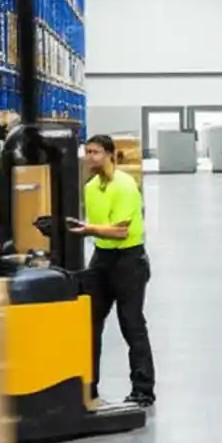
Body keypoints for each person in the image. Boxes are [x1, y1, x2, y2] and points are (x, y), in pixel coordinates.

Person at [68, 134, 155, 408]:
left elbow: (121, 230)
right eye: (87, 152)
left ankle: (143, 390)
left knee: (131, 323)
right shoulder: (91, 187)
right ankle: (88, 385)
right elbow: (98, 227)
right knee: (90, 323)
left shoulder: (125, 185)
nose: (88, 157)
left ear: (109, 154)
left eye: (94, 152)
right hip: (102, 258)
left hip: (129, 260)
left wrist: (86, 230)